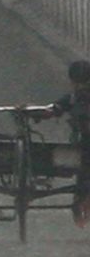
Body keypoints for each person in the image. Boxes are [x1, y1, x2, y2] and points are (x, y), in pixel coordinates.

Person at [48, 60, 90, 225]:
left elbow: (54, 110)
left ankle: (81, 205)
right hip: (84, 145)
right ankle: (82, 204)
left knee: (84, 174)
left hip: (83, 144)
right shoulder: (73, 98)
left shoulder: (73, 98)